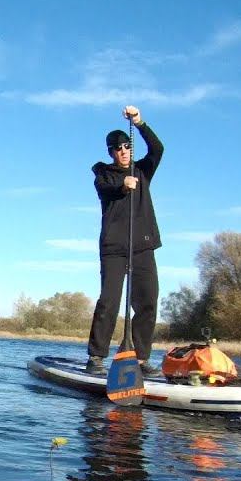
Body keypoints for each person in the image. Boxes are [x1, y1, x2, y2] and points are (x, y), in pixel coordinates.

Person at [85, 105, 163, 376]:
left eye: (126, 146)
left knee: (148, 301)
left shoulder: (142, 171)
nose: (123, 151)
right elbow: (105, 189)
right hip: (114, 248)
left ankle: (139, 357)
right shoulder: (103, 174)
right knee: (109, 301)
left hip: (142, 245)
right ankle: (96, 357)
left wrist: (139, 122)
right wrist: (122, 186)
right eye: (117, 148)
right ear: (110, 152)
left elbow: (157, 149)